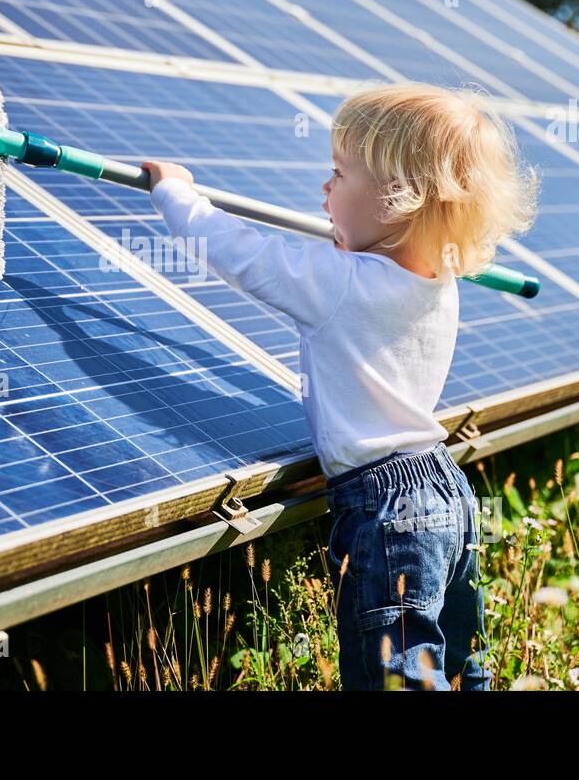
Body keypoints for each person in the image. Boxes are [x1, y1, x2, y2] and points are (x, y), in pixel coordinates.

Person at [143, 82, 538, 690]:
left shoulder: (340, 283)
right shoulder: (443, 284)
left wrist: (175, 192)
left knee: (394, 677)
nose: (324, 189)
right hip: (447, 488)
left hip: (384, 507)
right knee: (457, 666)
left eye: (339, 174)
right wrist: (357, 239)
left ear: (395, 201)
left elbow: (242, 255)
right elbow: (378, 282)